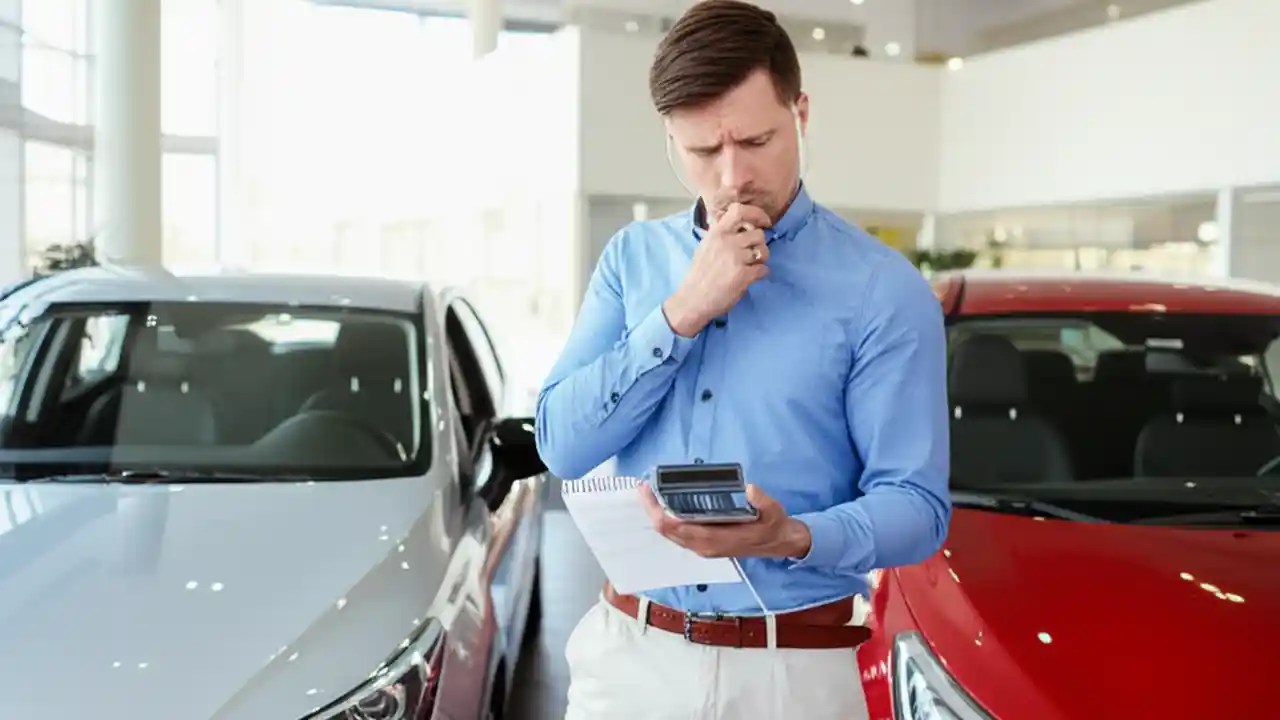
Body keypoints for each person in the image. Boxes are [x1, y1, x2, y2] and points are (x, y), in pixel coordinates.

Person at [534, 1, 951, 717]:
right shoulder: (633, 261)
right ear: (669, 139)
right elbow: (562, 446)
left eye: (756, 140)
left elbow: (917, 508)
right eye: (702, 151)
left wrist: (792, 536)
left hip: (794, 672)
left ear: (801, 112)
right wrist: (683, 311)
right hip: (629, 659)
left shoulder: (884, 291)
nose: (733, 176)